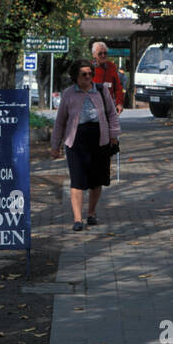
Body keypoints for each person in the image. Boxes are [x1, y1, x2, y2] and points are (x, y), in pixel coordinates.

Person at [51, 58, 120, 231]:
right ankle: (77, 219)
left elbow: (112, 114)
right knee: (77, 180)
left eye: (90, 73)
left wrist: (113, 135)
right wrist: (55, 145)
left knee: (97, 180)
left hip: (100, 139)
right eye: (84, 74)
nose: (88, 77)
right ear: (76, 76)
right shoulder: (68, 93)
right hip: (76, 141)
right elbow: (60, 121)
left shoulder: (101, 90)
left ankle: (91, 213)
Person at [91, 41, 126, 113]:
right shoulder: (88, 68)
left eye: (105, 53)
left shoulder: (111, 67)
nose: (103, 55)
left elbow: (118, 87)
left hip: (108, 106)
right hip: (92, 107)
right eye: (100, 53)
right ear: (94, 55)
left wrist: (119, 103)